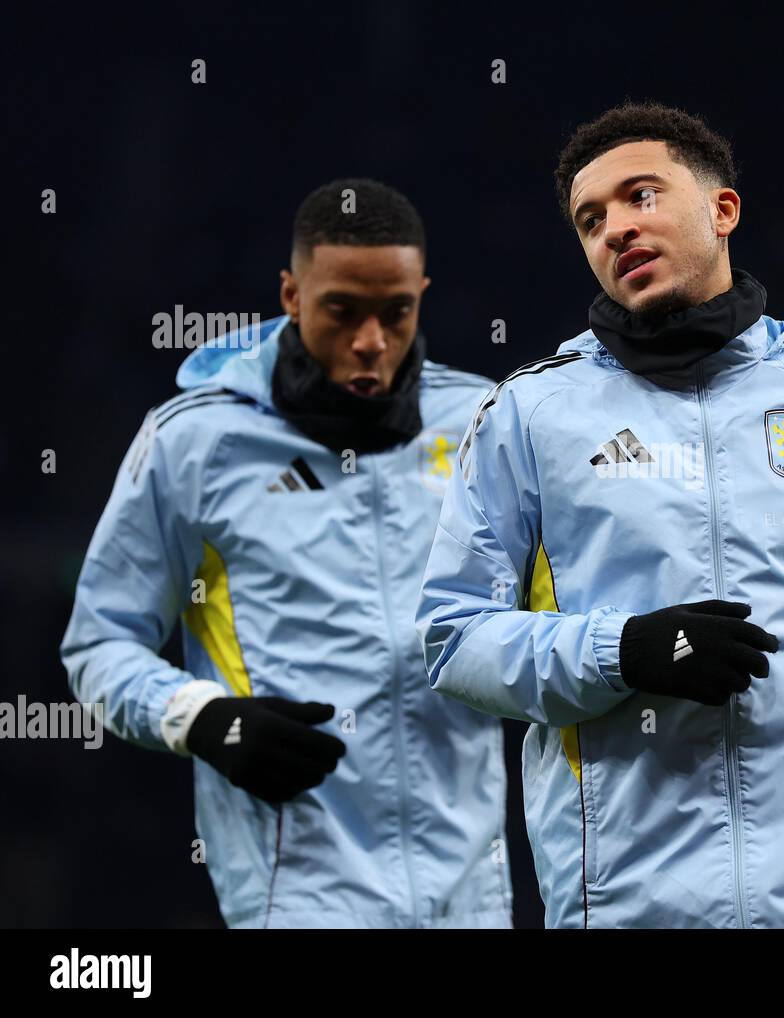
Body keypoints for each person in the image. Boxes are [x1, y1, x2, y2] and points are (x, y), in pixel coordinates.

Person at [418, 103, 784, 928]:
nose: (616, 229)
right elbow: (453, 637)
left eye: (641, 197)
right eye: (592, 220)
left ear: (723, 210)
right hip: (628, 909)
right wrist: (623, 649)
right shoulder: (529, 415)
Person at [62, 179, 511, 928]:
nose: (371, 339)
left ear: (422, 294)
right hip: (297, 892)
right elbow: (99, 642)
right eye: (343, 310)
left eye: (396, 311)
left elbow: (555, 608)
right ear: (291, 295)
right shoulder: (193, 443)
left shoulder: (483, 423)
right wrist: (202, 718)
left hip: (472, 898)